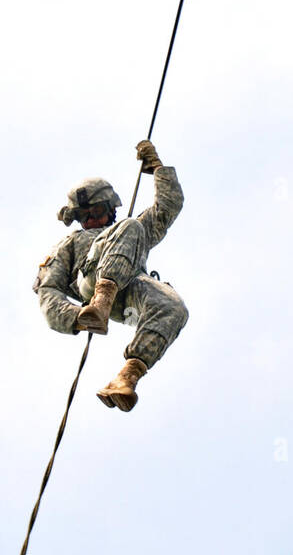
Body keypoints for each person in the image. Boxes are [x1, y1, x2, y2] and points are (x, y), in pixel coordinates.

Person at [33, 140, 188, 412]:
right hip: (91, 285)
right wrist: (76, 316)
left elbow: (167, 208)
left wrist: (158, 169)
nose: (91, 220)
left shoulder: (129, 233)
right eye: (84, 216)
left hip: (128, 293)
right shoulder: (70, 244)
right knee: (131, 227)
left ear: (109, 210)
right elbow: (48, 292)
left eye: (97, 212)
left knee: (173, 307)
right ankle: (101, 303)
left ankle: (127, 377)